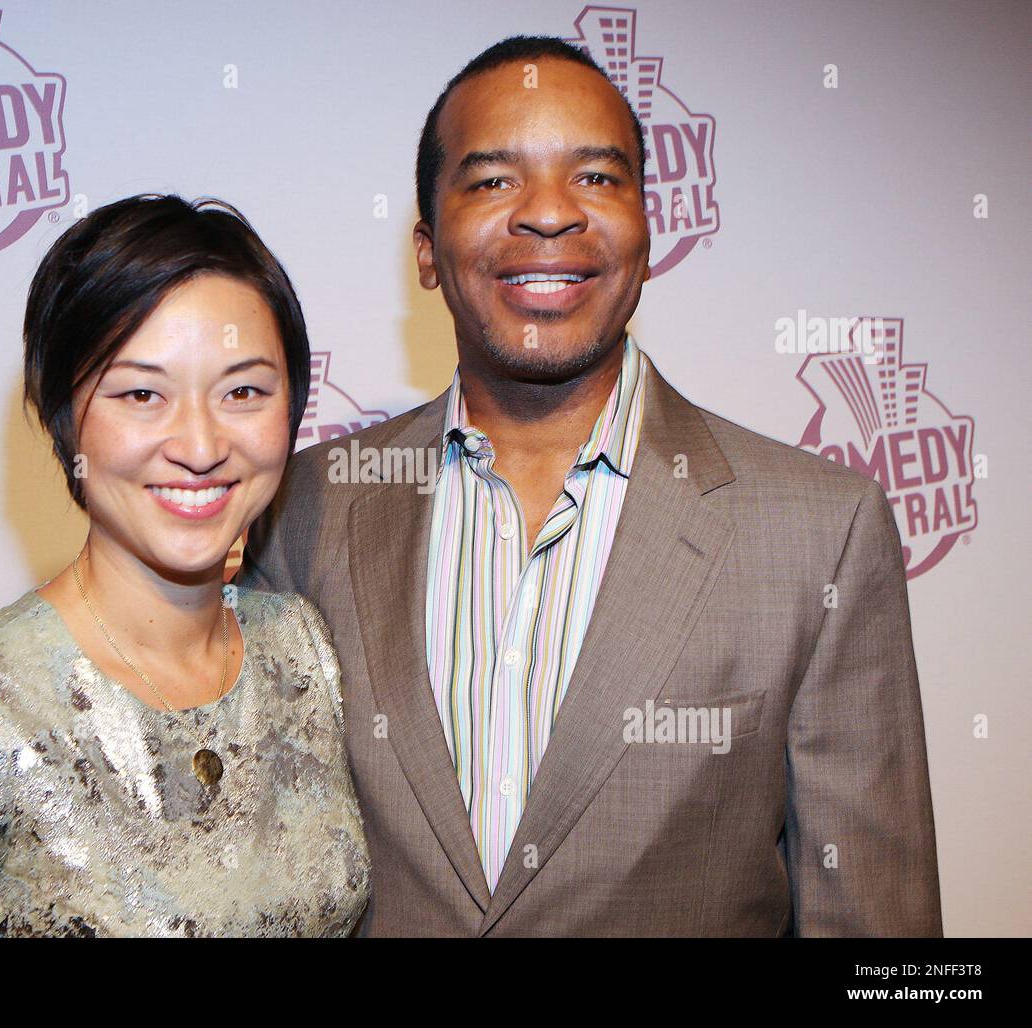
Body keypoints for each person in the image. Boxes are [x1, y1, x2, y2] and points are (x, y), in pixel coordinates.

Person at [237, 36, 943, 936]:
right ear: (426, 248)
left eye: (597, 179)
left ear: (649, 233)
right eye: (493, 180)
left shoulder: (818, 532)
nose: (548, 215)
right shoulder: (303, 508)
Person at [0, 194, 370, 937]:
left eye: (243, 390)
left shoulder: (303, 651)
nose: (201, 444)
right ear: (63, 411)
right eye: (142, 393)